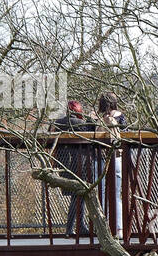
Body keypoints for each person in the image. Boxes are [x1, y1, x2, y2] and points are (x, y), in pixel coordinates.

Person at [52, 99, 96, 237]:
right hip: (80, 165)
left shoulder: (58, 123)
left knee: (76, 196)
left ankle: (74, 227)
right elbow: (93, 133)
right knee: (79, 195)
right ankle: (73, 228)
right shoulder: (82, 123)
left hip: (64, 164)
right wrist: (92, 119)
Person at [98, 92, 125, 235]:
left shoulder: (97, 119)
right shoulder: (120, 117)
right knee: (116, 195)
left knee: (100, 195)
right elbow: (125, 134)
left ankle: (103, 229)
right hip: (117, 157)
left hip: (100, 158)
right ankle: (119, 228)